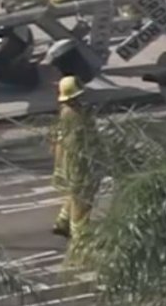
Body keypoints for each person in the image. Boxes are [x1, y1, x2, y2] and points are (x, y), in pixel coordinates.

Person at [51, 75, 100, 260]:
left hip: (72, 163)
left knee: (75, 193)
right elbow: (84, 142)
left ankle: (63, 221)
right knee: (83, 200)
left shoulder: (66, 114)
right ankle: (80, 239)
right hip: (80, 163)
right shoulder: (76, 116)